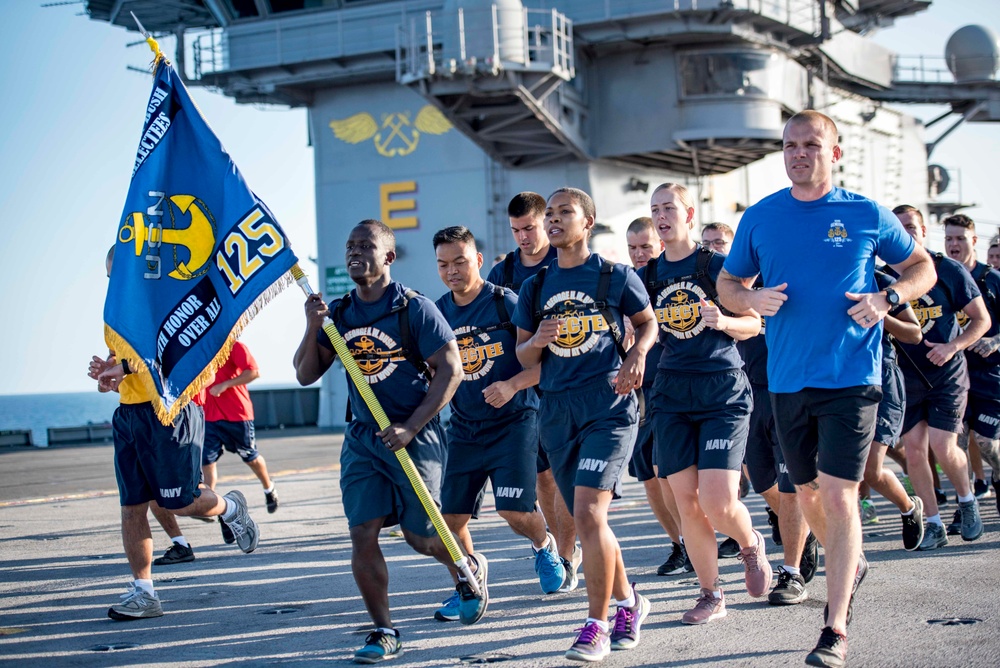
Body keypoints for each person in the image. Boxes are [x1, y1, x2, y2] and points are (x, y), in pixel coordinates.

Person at [717, 110, 936, 668]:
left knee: (838, 497)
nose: (799, 154)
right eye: (790, 145)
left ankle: (834, 629)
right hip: (787, 381)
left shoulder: (864, 213)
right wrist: (749, 301)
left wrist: (887, 300)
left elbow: (922, 266)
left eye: (811, 145)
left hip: (850, 380)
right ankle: (850, 557)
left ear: (834, 153)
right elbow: (727, 283)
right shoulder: (761, 218)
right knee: (807, 494)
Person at [294, 219, 476, 664]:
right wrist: (312, 326)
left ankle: (465, 569)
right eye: (350, 246)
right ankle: (384, 630)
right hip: (363, 438)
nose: (355, 253)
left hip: (416, 434)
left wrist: (411, 426)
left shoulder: (412, 309)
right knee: (362, 533)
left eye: (366, 246)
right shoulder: (337, 314)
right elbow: (304, 373)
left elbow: (451, 370)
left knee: (421, 536)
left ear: (389, 257)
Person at [514, 188, 657, 662]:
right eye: (549, 215)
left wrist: (636, 353)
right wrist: (538, 337)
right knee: (583, 518)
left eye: (564, 213)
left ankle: (595, 625)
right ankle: (631, 602)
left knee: (592, 515)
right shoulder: (535, 286)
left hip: (609, 406)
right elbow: (522, 353)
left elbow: (649, 323)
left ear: (588, 221)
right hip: (556, 410)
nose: (553, 221)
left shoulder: (615, 276)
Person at [90, 248, 260, 622]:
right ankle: (144, 592)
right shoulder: (114, 316)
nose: (113, 284)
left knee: (178, 502)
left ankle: (232, 507)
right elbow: (123, 370)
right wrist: (108, 376)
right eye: (109, 278)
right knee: (132, 506)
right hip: (130, 416)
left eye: (118, 276)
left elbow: (172, 357)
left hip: (173, 413)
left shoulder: (171, 302)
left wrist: (124, 368)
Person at [644, 184, 770, 627]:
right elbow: (638, 326)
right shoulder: (648, 274)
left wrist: (723, 320)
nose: (662, 216)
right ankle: (711, 593)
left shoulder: (715, 265)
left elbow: (755, 324)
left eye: (669, 208)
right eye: (655, 209)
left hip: (721, 390)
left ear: (689, 214)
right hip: (672, 395)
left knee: (717, 501)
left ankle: (750, 541)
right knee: (686, 503)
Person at [431, 226, 564, 623]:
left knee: (514, 511)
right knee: (448, 521)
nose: (452, 271)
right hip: (464, 428)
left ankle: (544, 545)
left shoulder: (508, 303)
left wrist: (511, 385)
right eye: (443, 264)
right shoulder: (435, 313)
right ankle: (469, 579)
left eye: (459, 261)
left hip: (515, 422)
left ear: (478, 260)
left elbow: (546, 364)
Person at [705, 225, 821, 606]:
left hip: (789, 392)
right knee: (763, 481)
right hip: (745, 395)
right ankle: (804, 529)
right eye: (708, 246)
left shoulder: (784, 281)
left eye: (721, 244)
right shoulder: (723, 292)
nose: (716, 251)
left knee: (792, 487)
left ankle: (791, 570)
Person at [488, 192, 580, 590]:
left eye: (529, 228)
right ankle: (559, 552)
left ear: (546, 222)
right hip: (524, 391)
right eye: (515, 230)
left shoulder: (564, 264)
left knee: (568, 478)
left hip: (567, 384)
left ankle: (568, 554)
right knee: (544, 478)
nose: (523, 237)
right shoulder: (502, 273)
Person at [892, 206, 987, 551]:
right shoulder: (885, 276)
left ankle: (967, 501)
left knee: (944, 446)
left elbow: (981, 320)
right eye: (899, 229)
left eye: (912, 228)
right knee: (915, 452)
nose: (907, 234)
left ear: (923, 231)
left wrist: (953, 347)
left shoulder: (947, 269)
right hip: (906, 375)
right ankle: (933, 523)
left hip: (946, 372)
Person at [625, 217, 689, 576]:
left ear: (659, 245)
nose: (638, 254)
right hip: (637, 393)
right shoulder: (623, 282)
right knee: (648, 478)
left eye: (644, 247)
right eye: (632, 247)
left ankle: (695, 543)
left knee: (666, 473)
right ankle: (678, 544)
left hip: (670, 388)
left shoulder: (667, 279)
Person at [857, 268, 926, 551]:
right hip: (836, 379)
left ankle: (910, 507)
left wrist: (881, 313)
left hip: (881, 377)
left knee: (871, 470)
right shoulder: (819, 273)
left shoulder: (882, 281)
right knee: (841, 471)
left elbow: (914, 333)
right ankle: (851, 551)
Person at [942, 215, 1000, 514]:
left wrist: (994, 341)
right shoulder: (941, 276)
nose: (954, 244)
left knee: (987, 443)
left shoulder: (991, 279)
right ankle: (966, 507)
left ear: (973, 241)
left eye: (960, 238)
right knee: (957, 444)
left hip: (990, 376)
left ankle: (997, 477)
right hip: (955, 377)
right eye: (949, 238)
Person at [201, 340, 278, 544]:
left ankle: (269, 489)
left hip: (237, 415)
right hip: (208, 416)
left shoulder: (234, 346)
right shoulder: (199, 347)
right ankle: (214, 507)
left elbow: (253, 372)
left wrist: (224, 384)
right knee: (206, 463)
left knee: (250, 458)